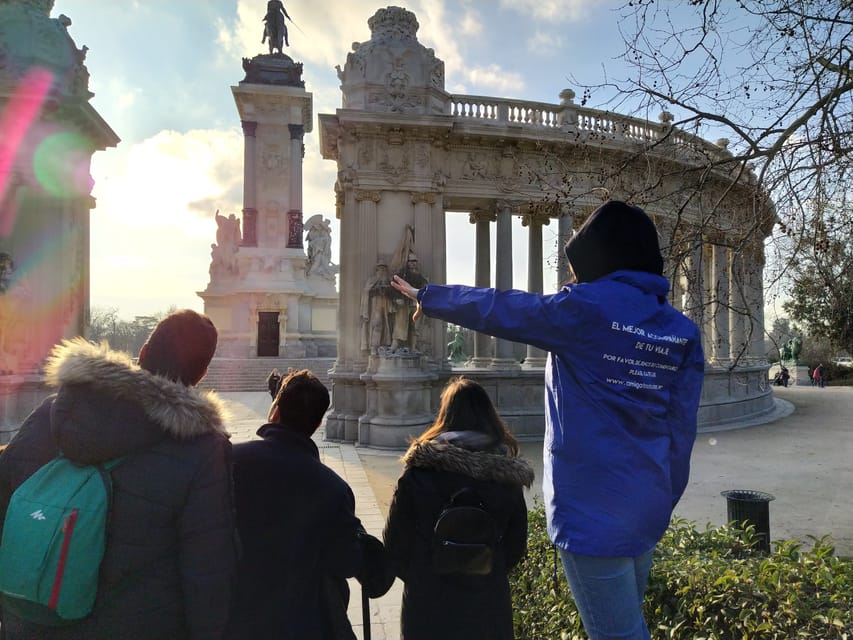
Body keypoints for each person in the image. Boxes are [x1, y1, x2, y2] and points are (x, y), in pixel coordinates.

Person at [391, 200, 705, 640]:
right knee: (628, 623)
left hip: (593, 512)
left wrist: (431, 296)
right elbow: (681, 432)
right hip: (645, 505)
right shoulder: (681, 331)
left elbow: (504, 308)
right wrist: (661, 499)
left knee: (619, 635)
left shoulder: (583, 312)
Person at [0, 310, 236, 640]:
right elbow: (208, 573)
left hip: (30, 620)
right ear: (200, 374)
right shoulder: (202, 450)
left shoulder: (50, 413)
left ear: (141, 353)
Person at [229, 369, 393, 640]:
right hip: (302, 623)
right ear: (317, 425)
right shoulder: (333, 489)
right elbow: (346, 562)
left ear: (275, 411)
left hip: (234, 618)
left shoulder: (230, 460)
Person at [383, 376, 533, 640]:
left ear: (445, 415)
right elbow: (516, 543)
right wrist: (484, 565)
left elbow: (395, 542)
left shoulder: (419, 471)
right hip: (487, 600)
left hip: (427, 600)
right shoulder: (506, 475)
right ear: (489, 416)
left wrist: (423, 573)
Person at [390, 252, 428, 352]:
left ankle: (413, 347)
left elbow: (423, 288)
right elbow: (393, 287)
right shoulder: (402, 274)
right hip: (404, 304)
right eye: (411, 261)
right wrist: (397, 298)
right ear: (407, 262)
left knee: (415, 327)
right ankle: (394, 346)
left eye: (414, 261)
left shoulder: (420, 276)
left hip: (415, 304)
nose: (413, 263)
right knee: (400, 325)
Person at [361, 261, 393, 354]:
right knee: (377, 324)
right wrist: (377, 289)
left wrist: (386, 289)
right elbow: (367, 291)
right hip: (375, 305)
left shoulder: (388, 280)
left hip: (386, 305)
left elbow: (392, 291)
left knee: (387, 325)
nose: (382, 270)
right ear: (377, 270)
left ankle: (384, 345)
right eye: (380, 268)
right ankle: (374, 347)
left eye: (384, 268)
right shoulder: (372, 279)